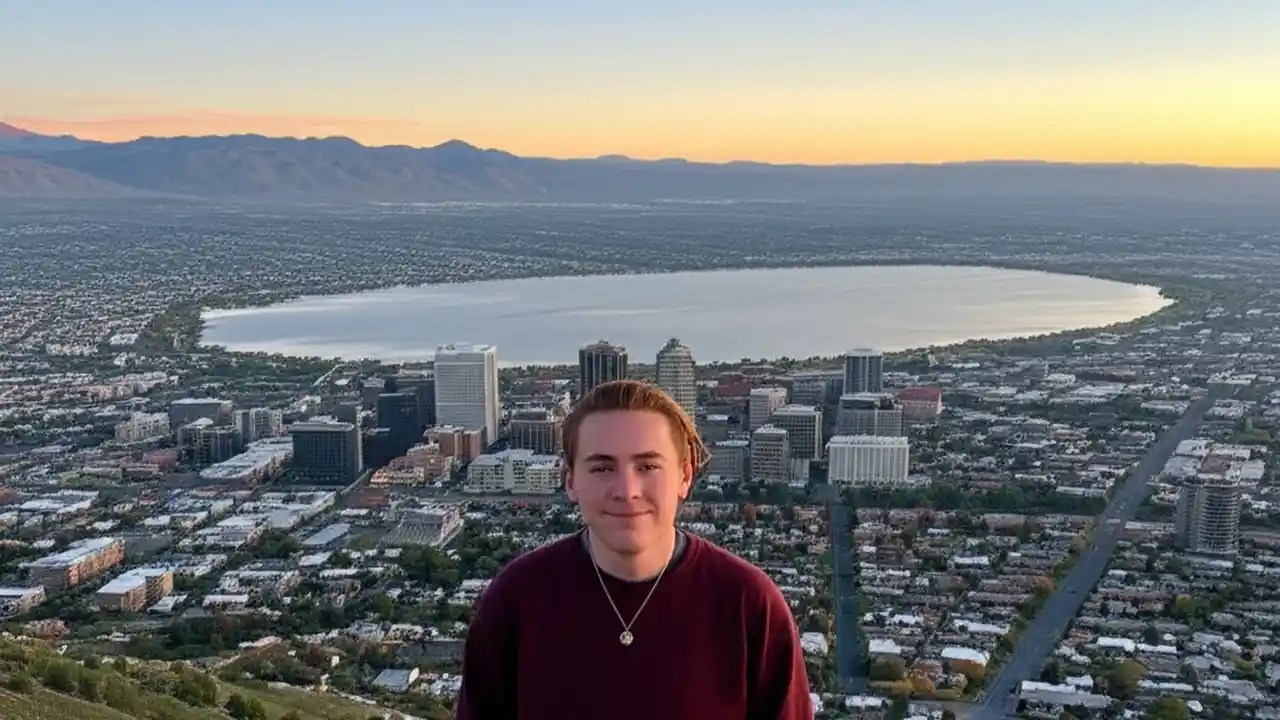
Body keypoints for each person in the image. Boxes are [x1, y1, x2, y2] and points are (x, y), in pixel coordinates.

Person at [456, 380, 813, 719]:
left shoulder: (749, 603)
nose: (627, 490)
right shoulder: (516, 598)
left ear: (685, 477)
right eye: (602, 467)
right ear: (570, 481)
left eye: (648, 466)